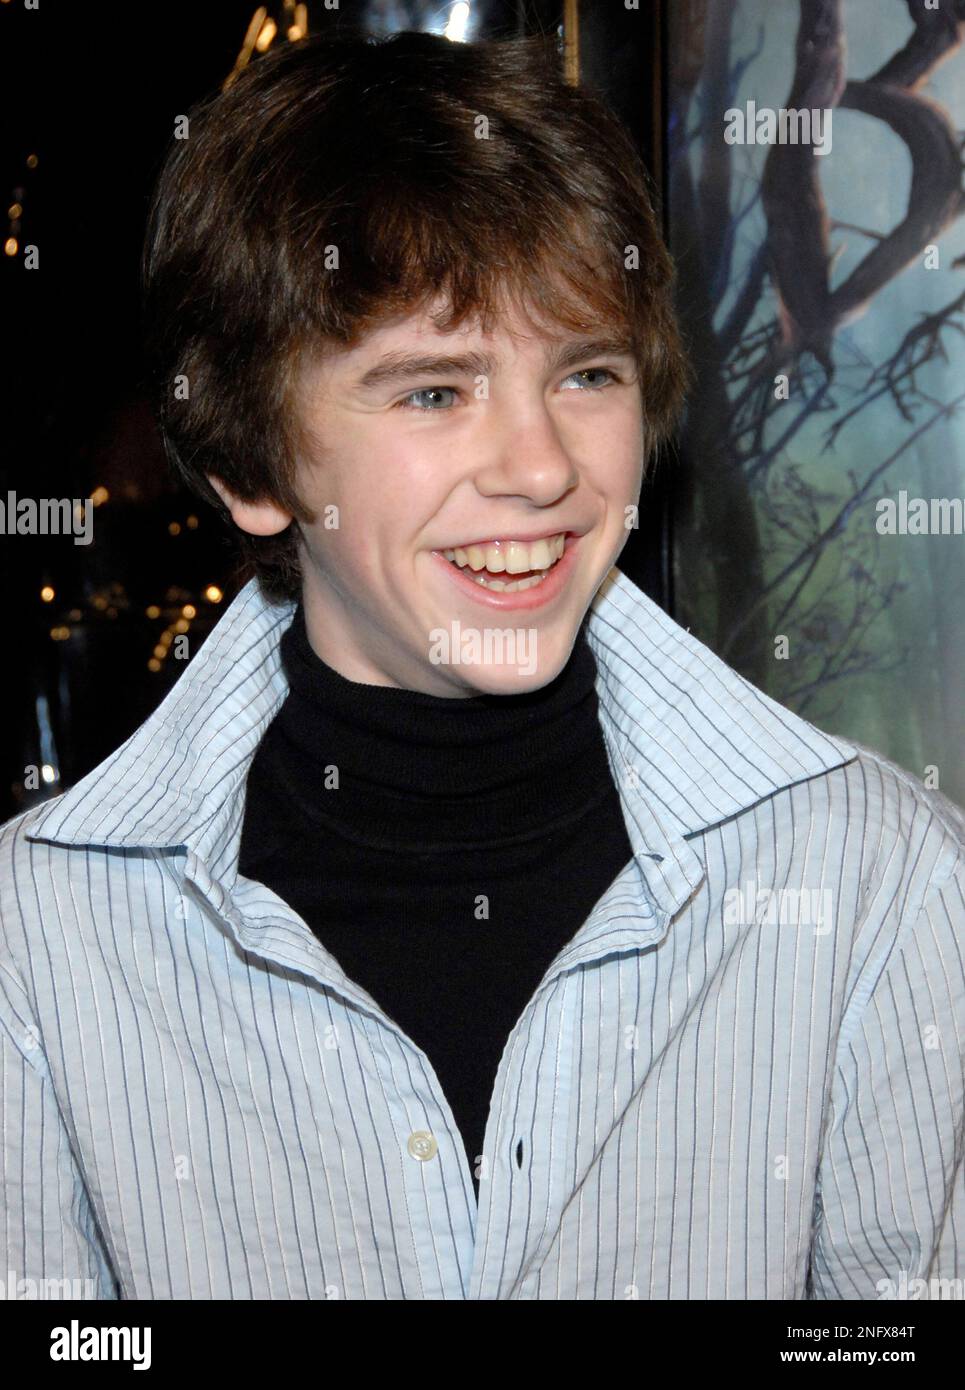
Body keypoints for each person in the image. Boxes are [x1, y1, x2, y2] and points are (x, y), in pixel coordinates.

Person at [1, 29, 962, 1302]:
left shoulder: (873, 880)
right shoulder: (45, 936)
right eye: (432, 392)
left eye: (587, 372)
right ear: (247, 464)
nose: (542, 467)